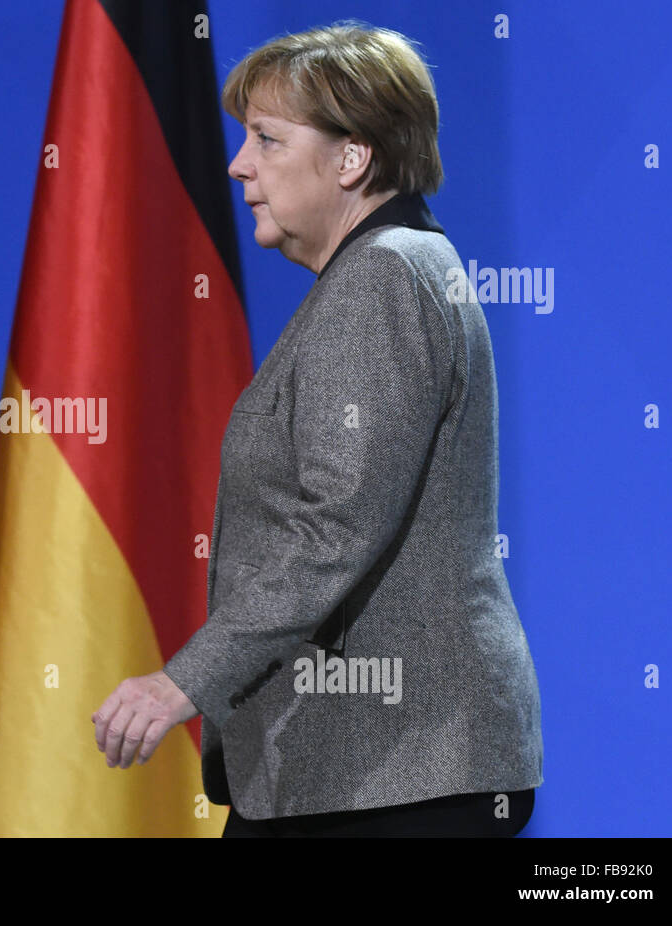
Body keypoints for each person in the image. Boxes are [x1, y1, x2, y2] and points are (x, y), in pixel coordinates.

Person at [91, 21, 543, 837]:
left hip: (390, 773)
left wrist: (182, 683)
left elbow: (336, 523)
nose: (239, 164)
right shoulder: (404, 267)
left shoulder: (381, 278)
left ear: (351, 158)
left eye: (267, 138)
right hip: (366, 767)